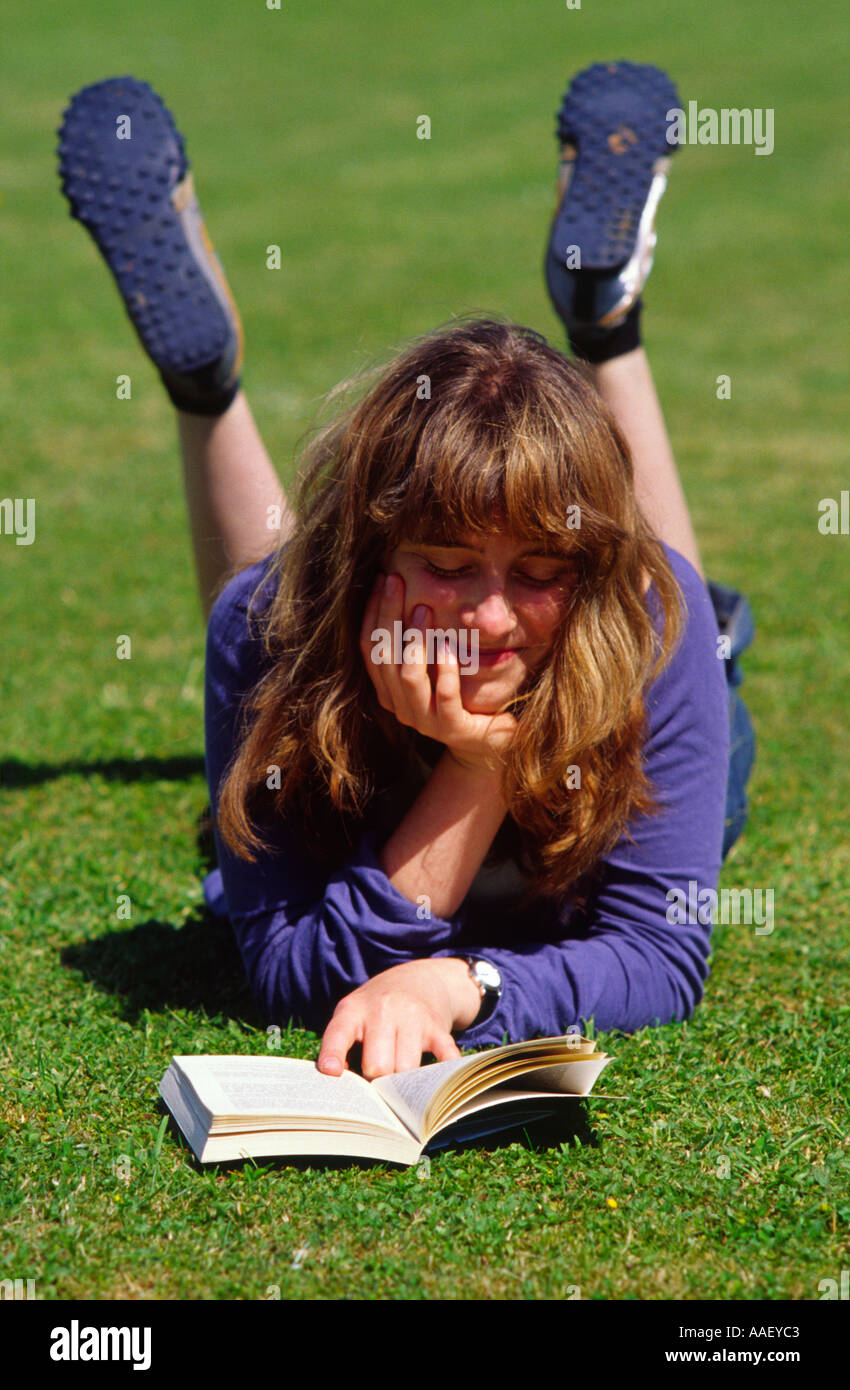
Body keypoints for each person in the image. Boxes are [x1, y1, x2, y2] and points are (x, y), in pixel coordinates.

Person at [58, 62, 756, 1081]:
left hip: (648, 641)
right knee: (276, 623)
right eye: (443, 562)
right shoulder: (267, 624)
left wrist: (461, 982)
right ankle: (209, 379)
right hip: (317, 622)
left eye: (539, 571)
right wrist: (477, 767)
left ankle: (602, 321)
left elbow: (658, 951)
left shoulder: (650, 619)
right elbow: (286, 968)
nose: (487, 616)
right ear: (370, 544)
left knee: (683, 603)